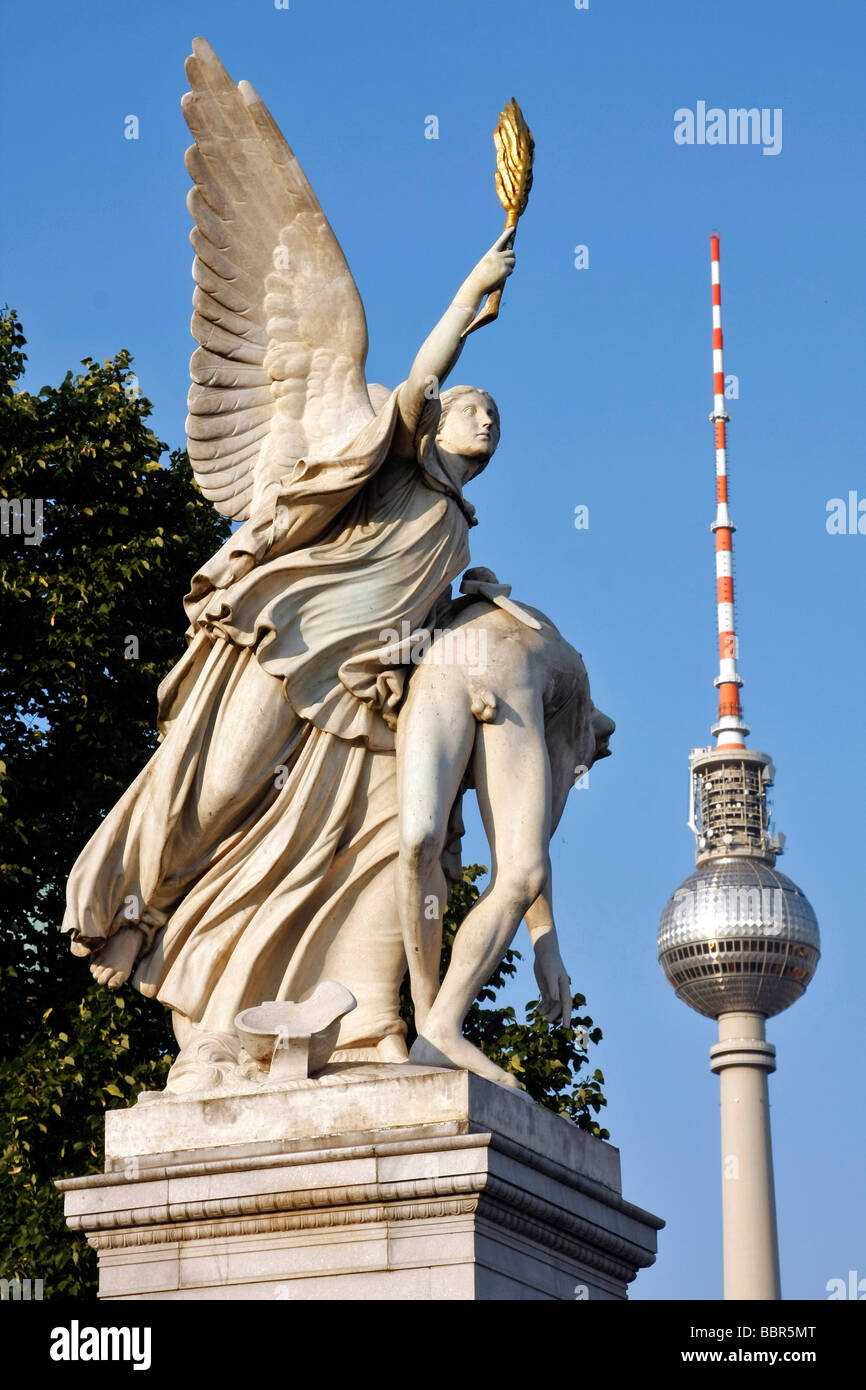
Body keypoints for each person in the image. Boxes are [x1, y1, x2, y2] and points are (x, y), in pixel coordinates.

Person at [63, 234, 515, 1076]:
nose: (487, 418)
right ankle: (138, 900)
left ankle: (351, 1017)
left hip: (369, 697)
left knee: (364, 848)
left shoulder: (455, 523)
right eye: (475, 406)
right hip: (293, 641)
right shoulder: (405, 455)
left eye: (498, 417)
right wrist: (472, 294)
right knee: (220, 793)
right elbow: (425, 368)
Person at [395, 597, 615, 1087]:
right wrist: (547, 945)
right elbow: (530, 852)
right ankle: (432, 1022)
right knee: (419, 841)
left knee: (422, 844)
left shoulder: (564, 691)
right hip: (473, 666)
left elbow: (525, 858)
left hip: (459, 656)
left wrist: (547, 943)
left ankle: (436, 1026)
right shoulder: (579, 720)